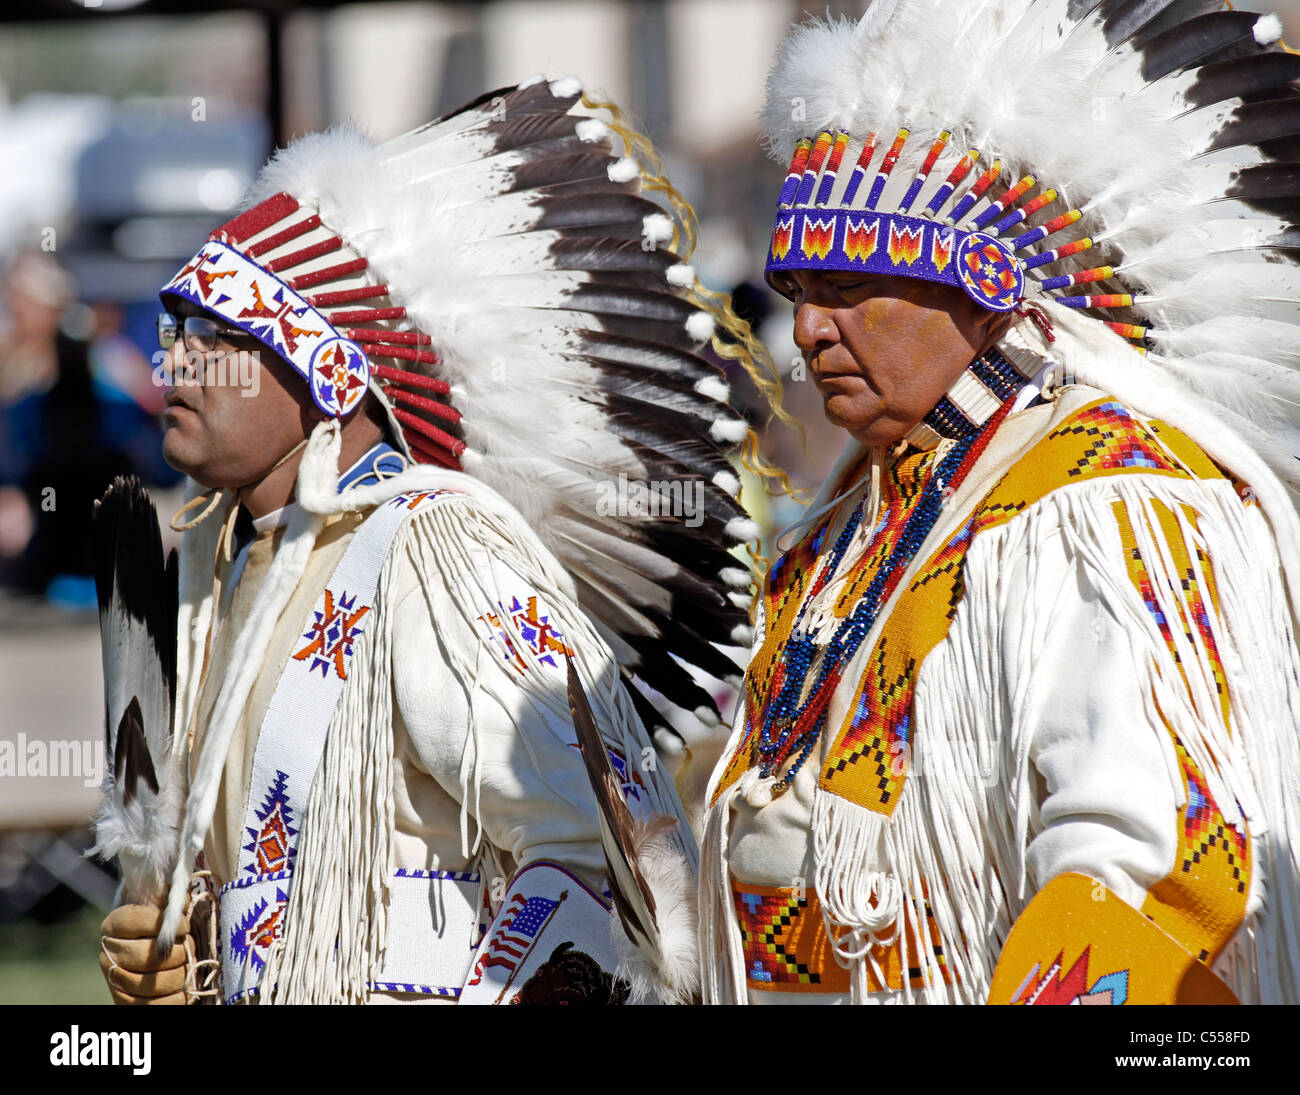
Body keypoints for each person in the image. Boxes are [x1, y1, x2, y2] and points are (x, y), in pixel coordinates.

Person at [95, 76, 777, 1005]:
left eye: (221, 336)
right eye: (179, 332)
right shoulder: (220, 581)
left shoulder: (431, 552)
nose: (180, 360)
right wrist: (188, 952)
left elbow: (603, 852)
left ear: (327, 374)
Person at [699, 1, 1300, 1005]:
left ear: (983, 292)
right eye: (797, 285)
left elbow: (1154, 876)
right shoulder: (844, 529)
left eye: (850, 284)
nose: (806, 328)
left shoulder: (1108, 507)